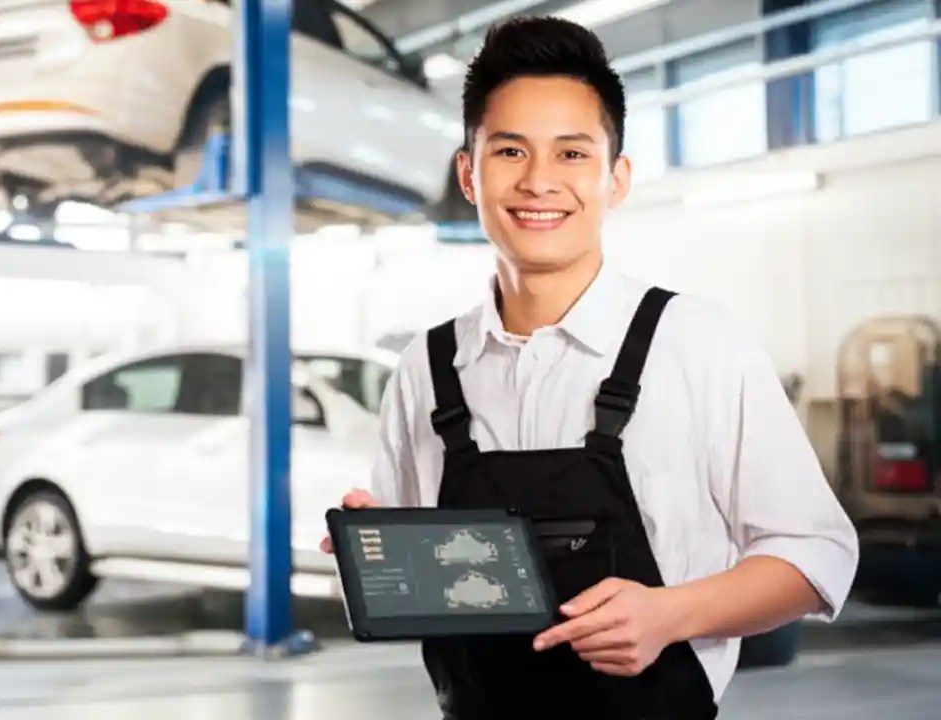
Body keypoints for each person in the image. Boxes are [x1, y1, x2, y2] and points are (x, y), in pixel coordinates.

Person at [320, 16, 858, 719]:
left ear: (617, 178)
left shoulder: (696, 342)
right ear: (468, 174)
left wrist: (672, 614)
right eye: (510, 150)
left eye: (572, 154)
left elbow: (818, 557)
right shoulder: (426, 367)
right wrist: (381, 553)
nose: (539, 181)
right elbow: (433, 588)